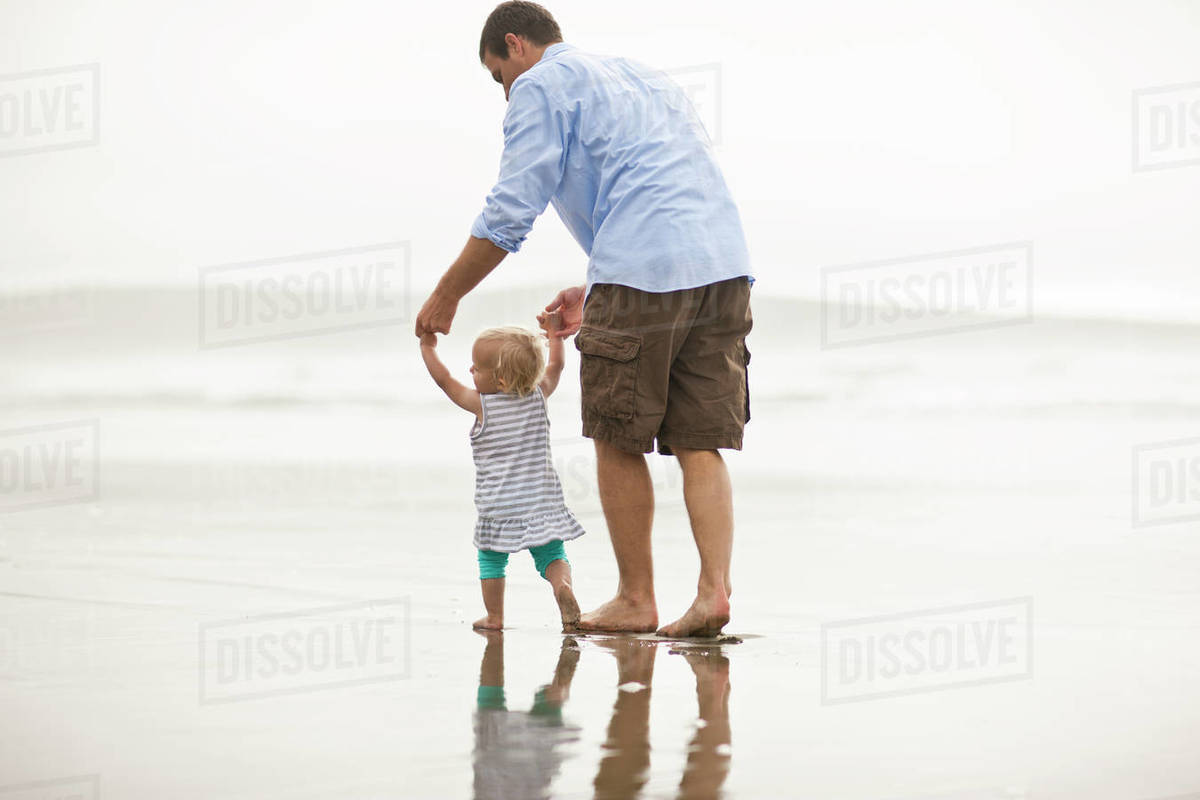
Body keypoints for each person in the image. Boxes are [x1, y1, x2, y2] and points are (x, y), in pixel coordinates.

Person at [415, 1, 753, 638]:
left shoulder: (540, 84)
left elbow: (511, 209)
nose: (506, 95)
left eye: (499, 78)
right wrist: (597, 287)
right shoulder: (644, 75)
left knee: (616, 434)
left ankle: (636, 598)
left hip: (641, 268)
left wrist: (446, 297)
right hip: (725, 266)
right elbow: (659, 189)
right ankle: (713, 594)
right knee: (698, 441)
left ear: (515, 45)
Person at [419, 312, 584, 631]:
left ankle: (495, 616)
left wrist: (428, 347)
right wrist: (555, 336)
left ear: (502, 381)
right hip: (542, 500)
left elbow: (445, 381)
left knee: (492, 560)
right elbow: (556, 367)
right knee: (552, 553)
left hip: (499, 504)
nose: (470, 371)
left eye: (477, 368)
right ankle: (562, 587)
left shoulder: (483, 404)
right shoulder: (539, 395)